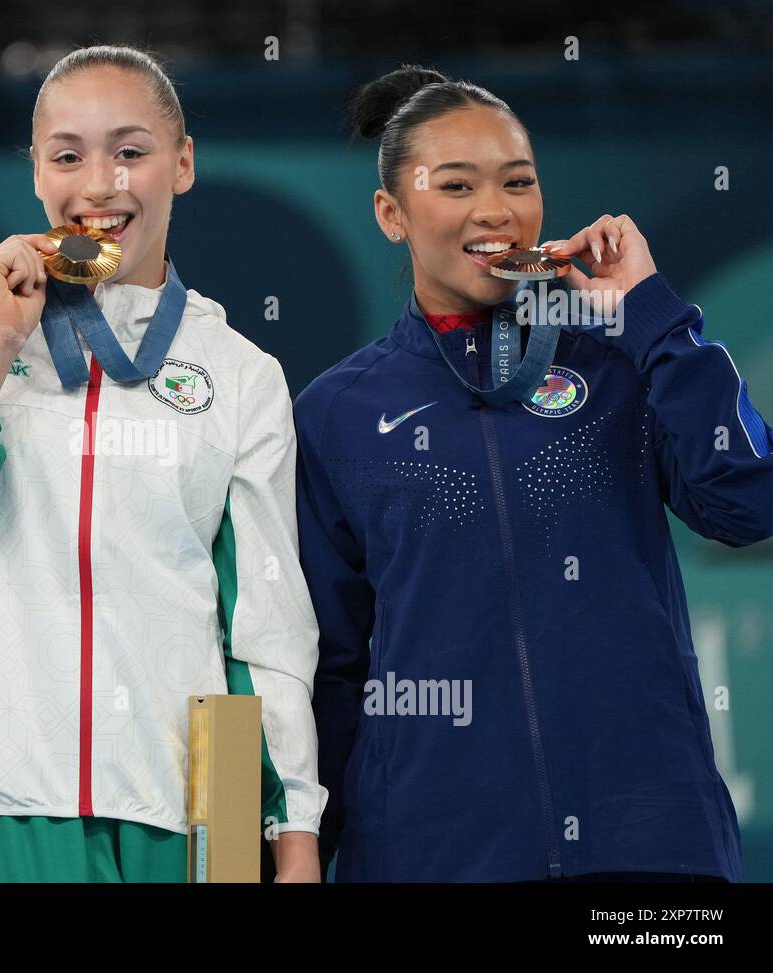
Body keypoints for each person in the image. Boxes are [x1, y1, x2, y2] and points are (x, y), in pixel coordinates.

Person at [0, 45, 324, 882]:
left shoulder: (242, 371)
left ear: (182, 163)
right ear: (35, 170)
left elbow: (264, 623)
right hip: (9, 794)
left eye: (131, 151)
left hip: (192, 808)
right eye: (68, 155)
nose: (100, 184)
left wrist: (292, 826)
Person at [296, 65, 771, 882]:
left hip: (652, 845)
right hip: (433, 853)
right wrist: (310, 846)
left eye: (519, 181)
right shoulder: (336, 410)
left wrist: (652, 315)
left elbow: (748, 501)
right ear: (390, 213)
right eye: (456, 184)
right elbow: (329, 668)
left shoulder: (622, 360)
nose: (496, 209)